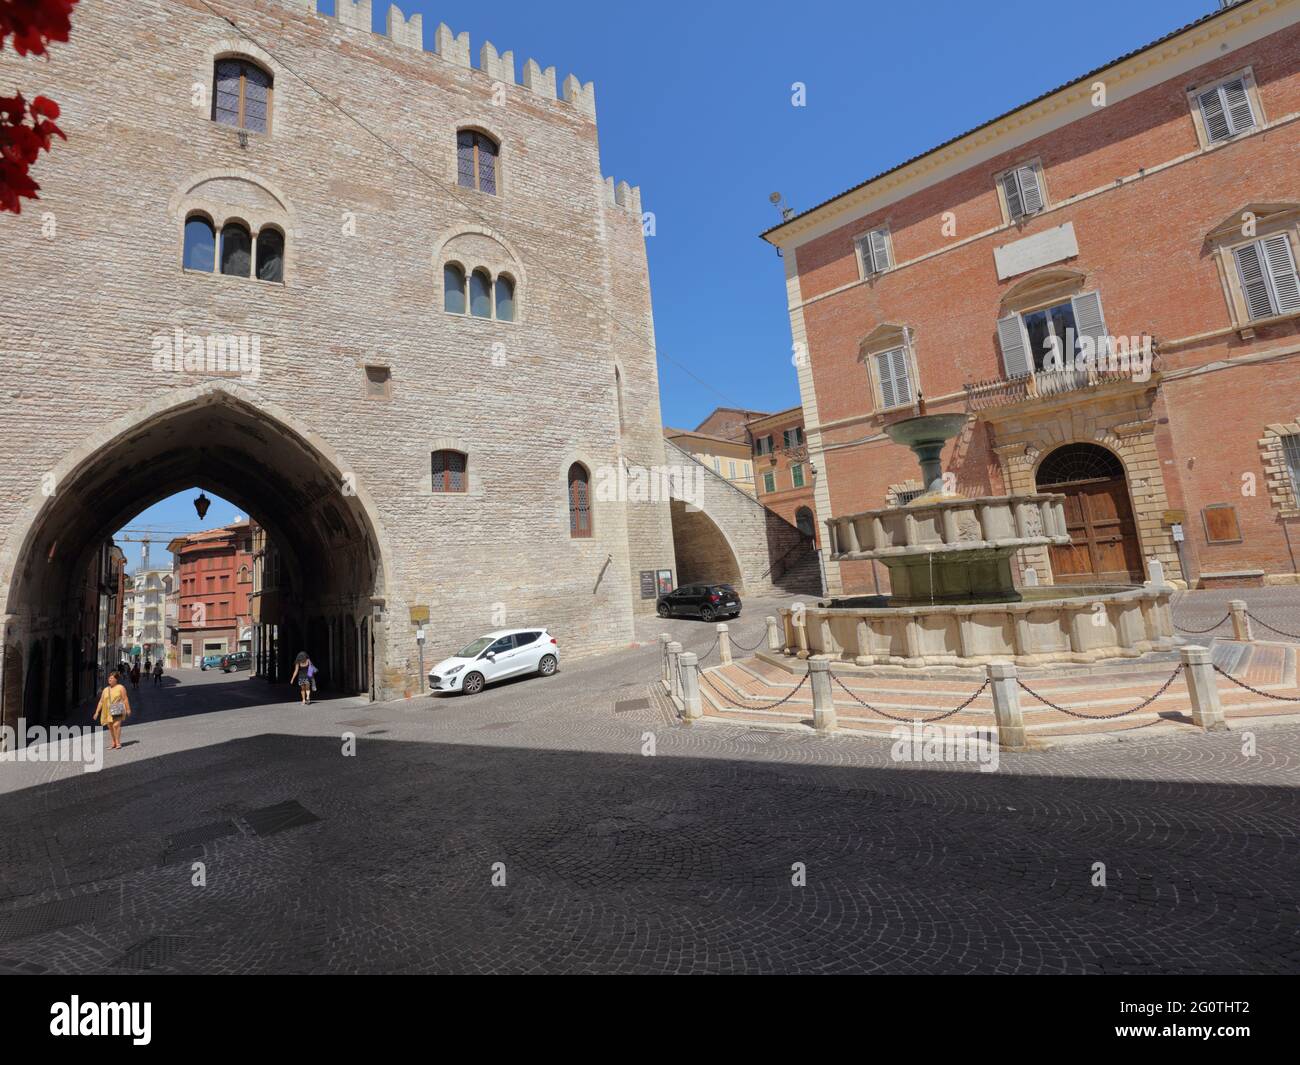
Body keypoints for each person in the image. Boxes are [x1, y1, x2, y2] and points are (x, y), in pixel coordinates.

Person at [93, 670, 131, 751]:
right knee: (110, 726)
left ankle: (118, 743)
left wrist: (128, 709)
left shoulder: (121, 687)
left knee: (116, 725)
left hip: (117, 707)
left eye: (111, 678)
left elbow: (125, 699)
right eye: (109, 678)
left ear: (116, 679)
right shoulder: (105, 689)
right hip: (107, 709)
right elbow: (101, 702)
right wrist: (97, 712)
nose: (109, 680)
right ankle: (114, 742)